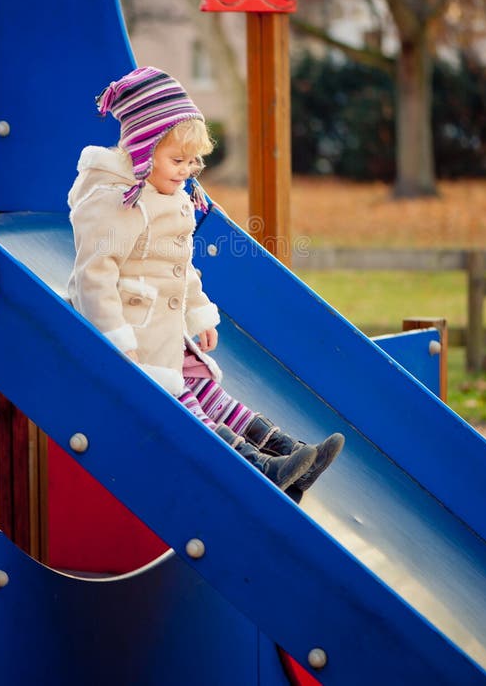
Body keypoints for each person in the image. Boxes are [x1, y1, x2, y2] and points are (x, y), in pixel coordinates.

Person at [67, 66, 344, 500]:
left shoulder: (168, 192)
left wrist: (198, 312)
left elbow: (180, 262)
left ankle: (289, 456)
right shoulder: (115, 202)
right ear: (142, 148)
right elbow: (94, 274)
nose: (186, 171)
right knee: (189, 409)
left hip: (165, 327)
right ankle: (259, 469)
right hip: (135, 335)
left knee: (208, 390)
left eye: (192, 161)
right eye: (176, 161)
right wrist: (115, 338)